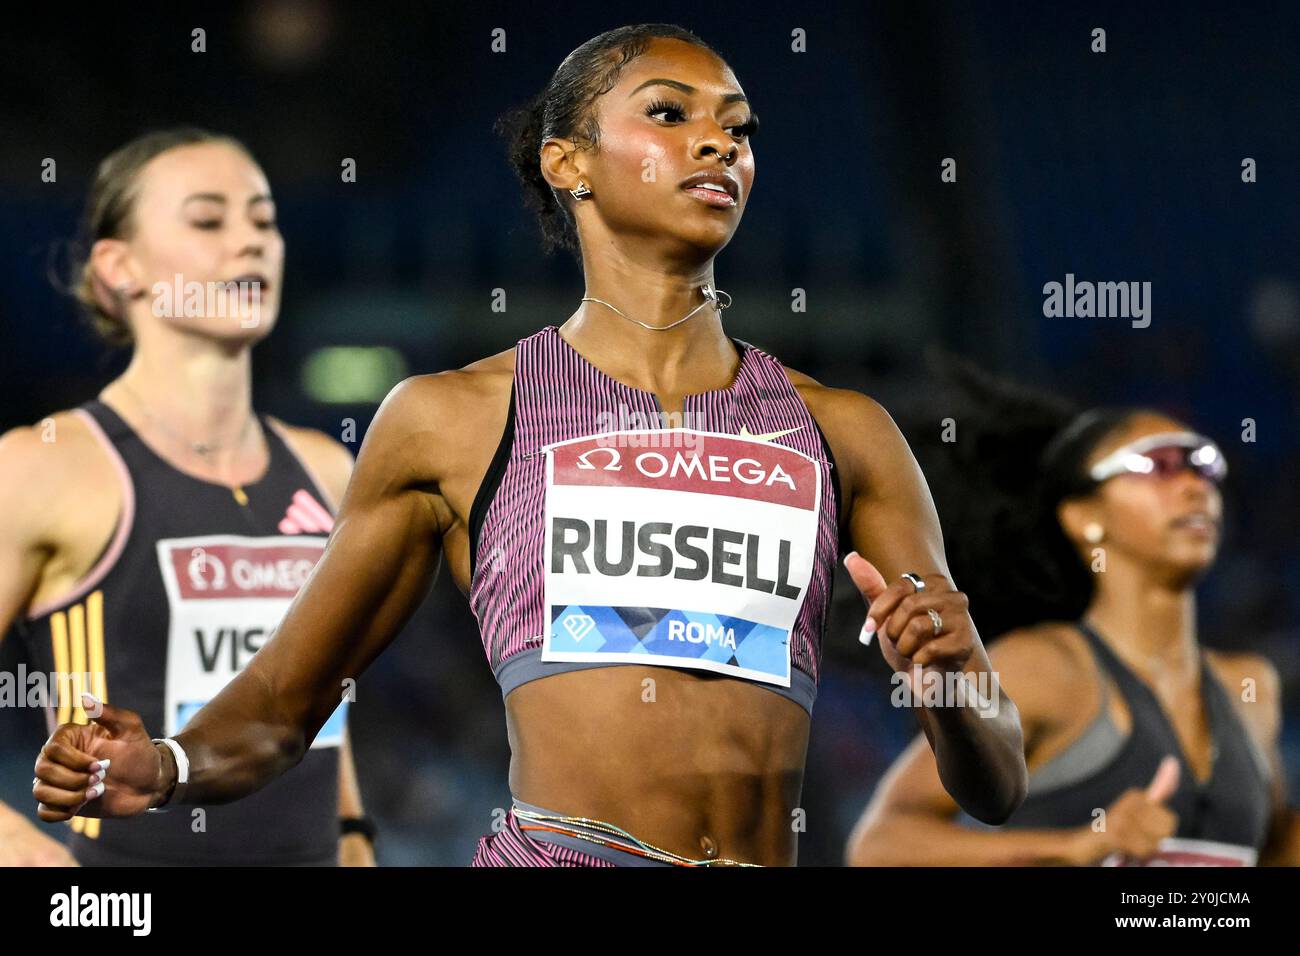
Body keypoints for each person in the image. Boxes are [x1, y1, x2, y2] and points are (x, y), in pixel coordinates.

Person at [31, 25, 1026, 867]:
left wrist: (951, 681)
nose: (719, 143)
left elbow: (995, 780)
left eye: (738, 126)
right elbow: (284, 699)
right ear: (569, 161)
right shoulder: (452, 419)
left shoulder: (842, 430)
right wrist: (166, 764)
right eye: (671, 114)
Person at [1, 128, 373, 866]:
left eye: (265, 220)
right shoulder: (42, 468)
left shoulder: (327, 471)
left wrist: (355, 838)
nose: (251, 243)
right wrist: (21, 851)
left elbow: (318, 702)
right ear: (120, 267)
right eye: (208, 220)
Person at [847, 361, 1300, 866]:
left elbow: (1276, 850)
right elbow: (880, 846)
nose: (1196, 486)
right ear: (1084, 518)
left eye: (1205, 466)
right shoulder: (1045, 669)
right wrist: (1078, 848)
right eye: (1160, 465)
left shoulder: (1250, 687)